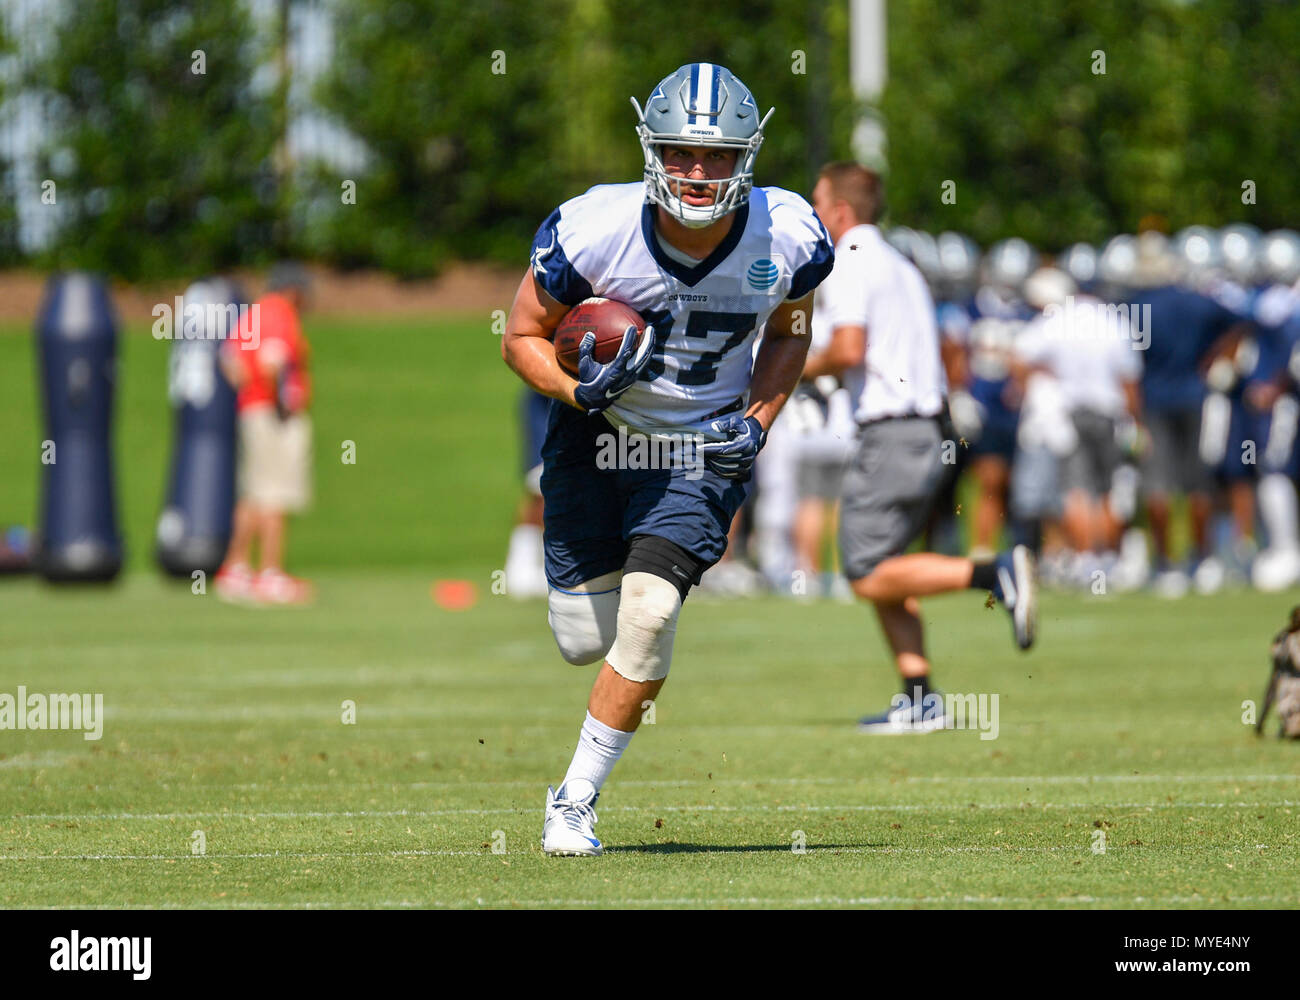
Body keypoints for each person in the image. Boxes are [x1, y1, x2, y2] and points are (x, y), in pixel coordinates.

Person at [501, 64, 834, 856]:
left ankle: (572, 801)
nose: (696, 171)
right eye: (681, 152)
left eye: (716, 156)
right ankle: (603, 676)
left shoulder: (787, 231)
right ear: (651, 149)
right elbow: (519, 338)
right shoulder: (594, 227)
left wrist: (758, 419)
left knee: (650, 615)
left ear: (746, 156)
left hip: (700, 447)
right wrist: (579, 392)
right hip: (596, 435)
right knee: (585, 637)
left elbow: (789, 333)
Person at [802, 163, 1037, 734]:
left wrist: (791, 370)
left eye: (817, 203)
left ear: (841, 211)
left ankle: (994, 574)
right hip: (926, 426)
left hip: (894, 431)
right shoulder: (900, 263)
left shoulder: (850, 258)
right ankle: (920, 698)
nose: (813, 215)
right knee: (890, 568)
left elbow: (849, 347)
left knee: (862, 573)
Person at [214, 263, 315, 605]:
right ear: (293, 290)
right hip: (273, 413)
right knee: (275, 493)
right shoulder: (279, 313)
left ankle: (236, 569)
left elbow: (230, 360)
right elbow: (272, 361)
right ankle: (270, 573)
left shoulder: (253, 314)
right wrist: (279, 402)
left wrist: (250, 388)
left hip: (251, 410)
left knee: (255, 493)